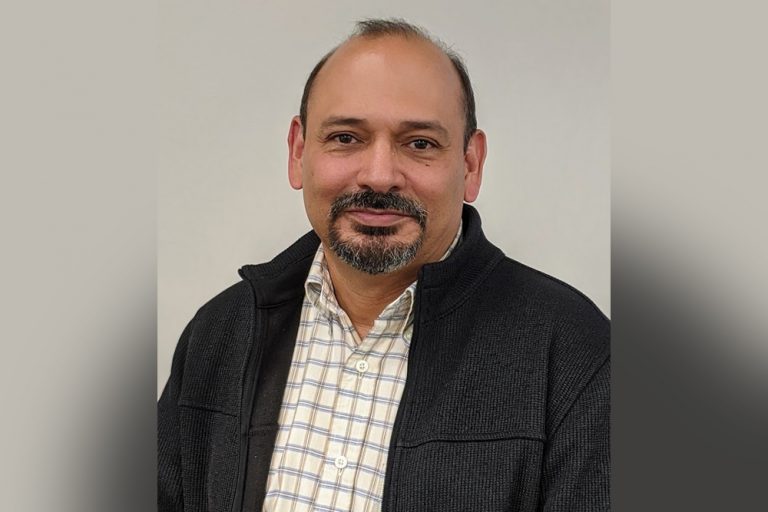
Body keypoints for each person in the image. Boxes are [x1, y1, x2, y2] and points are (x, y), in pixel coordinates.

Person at [158, 18, 610, 512]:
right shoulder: (220, 334)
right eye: (346, 137)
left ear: (471, 164)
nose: (378, 176)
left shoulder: (574, 355)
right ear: (298, 151)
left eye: (419, 143)